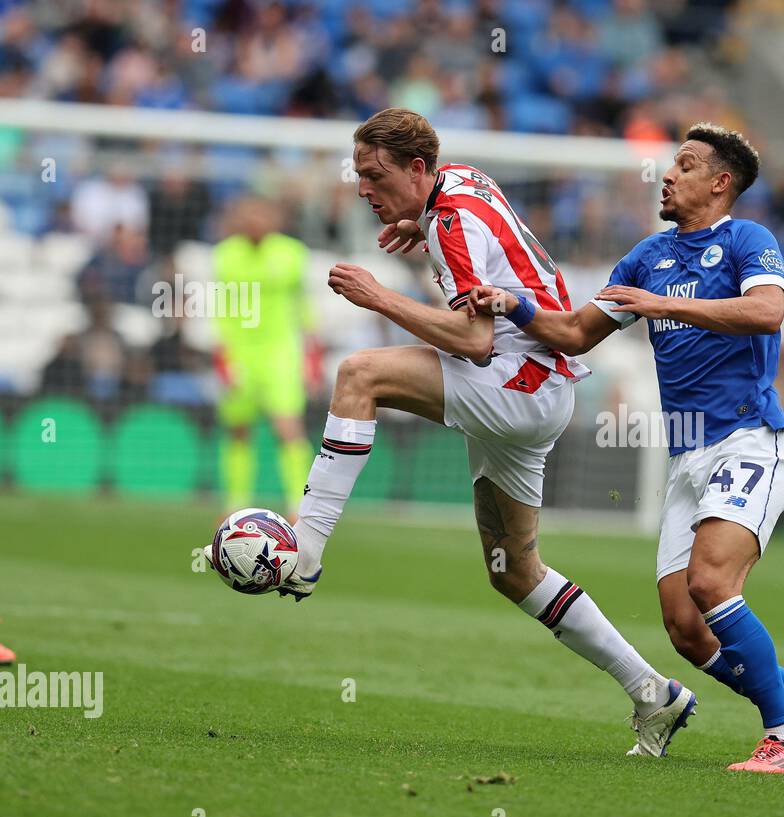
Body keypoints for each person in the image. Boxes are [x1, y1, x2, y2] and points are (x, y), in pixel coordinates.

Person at [208, 108, 695, 757]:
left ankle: (307, 551)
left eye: (374, 175)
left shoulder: (450, 219)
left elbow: (472, 339)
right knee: (514, 571)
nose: (362, 189)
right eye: (357, 176)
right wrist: (419, 223)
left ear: (416, 169)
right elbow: (475, 232)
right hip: (541, 387)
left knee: (359, 375)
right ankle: (653, 693)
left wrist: (379, 296)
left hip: (517, 380)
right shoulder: (458, 185)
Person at [470, 123, 784, 776]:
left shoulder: (749, 241)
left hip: (750, 439)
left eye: (685, 166)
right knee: (688, 630)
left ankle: (783, 743)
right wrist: (513, 306)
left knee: (712, 582)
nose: (668, 175)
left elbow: (768, 314)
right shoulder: (646, 257)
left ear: (720, 183)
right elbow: (575, 333)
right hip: (687, 457)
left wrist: (662, 305)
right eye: (671, 165)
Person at [211, 197, 317, 520]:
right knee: (239, 429)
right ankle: (235, 504)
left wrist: (312, 352)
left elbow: (303, 304)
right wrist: (222, 355)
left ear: (275, 218)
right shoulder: (226, 255)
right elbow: (221, 309)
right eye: (249, 213)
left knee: (288, 427)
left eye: (263, 213)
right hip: (239, 352)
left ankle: (300, 507)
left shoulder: (292, 254)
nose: (256, 220)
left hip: (281, 352)